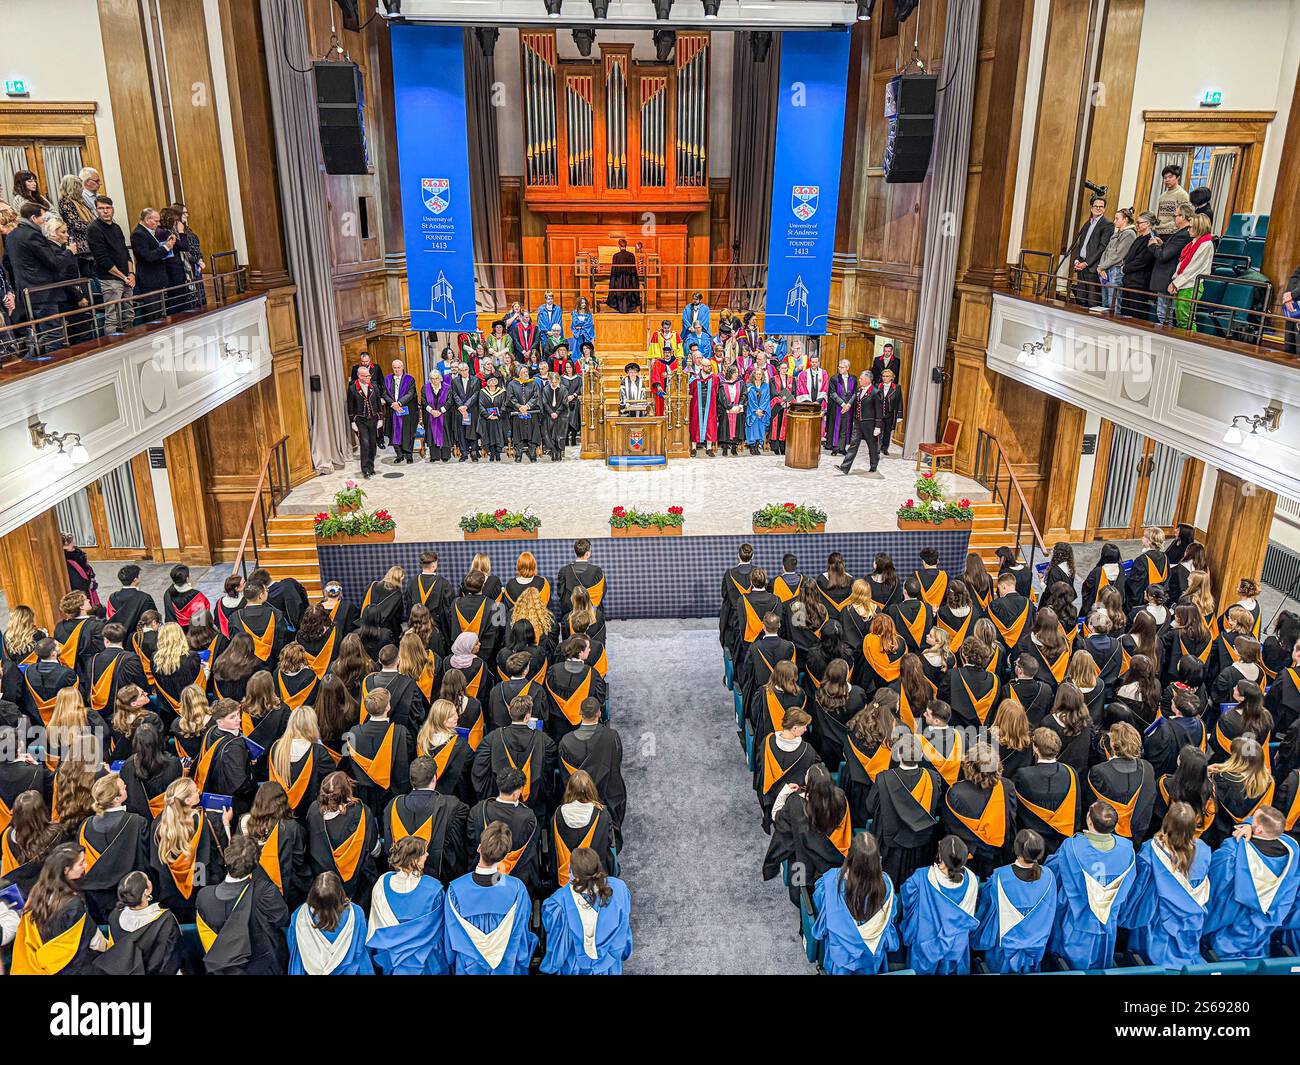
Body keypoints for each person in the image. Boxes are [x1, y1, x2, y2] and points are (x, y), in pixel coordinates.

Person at [1045, 801, 1136, 970]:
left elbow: (1055, 875)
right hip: (1107, 922)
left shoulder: (1072, 847)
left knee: (1071, 967)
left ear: (1089, 820)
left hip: (1076, 920)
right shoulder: (1127, 849)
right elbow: (1128, 887)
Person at [1122, 801, 1212, 968]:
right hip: (1190, 920)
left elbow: (1139, 889)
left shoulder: (1151, 852)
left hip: (1157, 919)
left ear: (1167, 822)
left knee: (1153, 963)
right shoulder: (1204, 851)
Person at [1204, 805, 1300, 960]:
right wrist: (1250, 825)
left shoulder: (1233, 855)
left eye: (1252, 820)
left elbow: (1215, 895)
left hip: (1228, 934)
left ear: (1260, 830)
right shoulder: (1293, 850)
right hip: (1261, 934)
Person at [193, 833, 289, 974]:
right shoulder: (265, 892)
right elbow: (282, 918)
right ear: (256, 864)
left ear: (226, 860)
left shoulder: (204, 897)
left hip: (223, 970)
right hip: (263, 968)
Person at [10, 842, 107, 974]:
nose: (85, 865)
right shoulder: (73, 906)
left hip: (45, 963)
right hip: (74, 966)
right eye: (81, 863)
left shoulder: (37, 892)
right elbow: (94, 941)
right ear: (66, 870)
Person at [540, 845, 633, 975]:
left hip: (577, 965)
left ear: (573, 874)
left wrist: (552, 965)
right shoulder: (619, 888)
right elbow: (624, 927)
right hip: (609, 962)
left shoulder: (559, 902)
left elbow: (559, 944)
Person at [974, 829, 1058, 973]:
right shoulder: (1049, 877)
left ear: (1016, 850)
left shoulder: (1000, 877)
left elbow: (986, 913)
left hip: (1003, 951)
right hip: (1036, 950)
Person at [367, 835, 448, 974]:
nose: (427, 854)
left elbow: (376, 924)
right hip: (424, 960)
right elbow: (440, 932)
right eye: (424, 852)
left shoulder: (382, 883)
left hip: (393, 957)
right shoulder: (434, 889)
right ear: (415, 860)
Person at [899, 835, 979, 974]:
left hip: (926, 944)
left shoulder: (921, 878)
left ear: (941, 857)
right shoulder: (972, 880)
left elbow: (907, 899)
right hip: (957, 945)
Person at [93, 870, 183, 975]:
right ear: (147, 891)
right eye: (148, 880)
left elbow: (115, 951)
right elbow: (172, 957)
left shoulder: (115, 916)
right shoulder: (165, 920)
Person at [286, 871, 372, 975]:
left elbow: (294, 947)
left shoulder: (299, 916)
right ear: (340, 892)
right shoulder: (356, 914)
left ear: (312, 894)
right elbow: (362, 946)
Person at [85, 195, 135, 335]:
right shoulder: (93, 229)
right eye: (101, 208)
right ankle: (113, 346)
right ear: (96, 210)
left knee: (129, 314)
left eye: (108, 208)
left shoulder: (116, 227)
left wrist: (131, 274)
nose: (105, 211)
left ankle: (130, 341)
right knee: (113, 317)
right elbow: (103, 259)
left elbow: (125, 252)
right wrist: (123, 277)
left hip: (126, 276)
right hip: (109, 278)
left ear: (112, 209)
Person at [1149, 203, 1194, 327]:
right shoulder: (1180, 233)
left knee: (1165, 314)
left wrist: (1153, 246)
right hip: (1165, 277)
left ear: (1184, 217)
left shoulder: (1184, 234)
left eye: (1175, 216)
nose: (1174, 218)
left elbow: (1164, 256)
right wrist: (1162, 244)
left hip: (1168, 277)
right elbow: (1170, 250)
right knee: (1162, 313)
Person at [1168, 211, 1214, 329]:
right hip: (1184, 283)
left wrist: (1175, 283)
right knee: (1179, 318)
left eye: (1191, 227)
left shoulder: (1206, 244)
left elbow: (1193, 268)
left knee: (1185, 320)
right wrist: (1175, 279)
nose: (1188, 229)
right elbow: (1183, 263)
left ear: (1199, 227)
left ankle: (1188, 343)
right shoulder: (1193, 242)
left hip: (1192, 284)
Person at [1067, 195, 1114, 307]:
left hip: (1092, 267)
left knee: (1092, 301)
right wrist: (1077, 260)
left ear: (1104, 209)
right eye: (1096, 206)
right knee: (1081, 299)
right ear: (1091, 208)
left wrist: (1086, 263)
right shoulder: (1087, 223)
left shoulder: (1107, 224)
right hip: (1081, 266)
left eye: (1101, 207)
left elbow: (1102, 247)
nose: (1098, 208)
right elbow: (1081, 244)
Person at [129, 207, 174, 323]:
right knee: (153, 315)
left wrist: (165, 244)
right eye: (156, 221)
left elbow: (154, 249)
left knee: (160, 313)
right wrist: (166, 247)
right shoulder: (138, 234)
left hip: (157, 278)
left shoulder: (148, 232)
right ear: (147, 219)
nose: (158, 224)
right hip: (149, 279)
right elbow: (147, 256)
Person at [1093, 206, 1137, 312]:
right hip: (1105, 269)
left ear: (1125, 219)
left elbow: (1118, 254)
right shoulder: (1117, 233)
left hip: (1115, 270)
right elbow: (1106, 251)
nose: (1114, 221)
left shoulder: (1129, 234)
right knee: (1105, 301)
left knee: (1113, 301)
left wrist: (1102, 266)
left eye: (1117, 218)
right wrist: (1101, 267)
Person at [836, 370, 880, 475]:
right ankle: (845, 467)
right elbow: (854, 398)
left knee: (872, 446)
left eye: (861, 378)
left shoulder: (875, 392)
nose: (859, 380)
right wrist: (848, 405)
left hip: (870, 424)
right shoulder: (859, 390)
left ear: (868, 379)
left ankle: (873, 466)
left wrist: (878, 426)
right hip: (858, 422)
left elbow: (879, 411)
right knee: (853, 444)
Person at [348, 364, 385, 478]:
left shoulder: (374, 386)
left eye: (369, 375)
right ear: (360, 376)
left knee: (373, 443)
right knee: (365, 443)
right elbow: (350, 406)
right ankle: (365, 469)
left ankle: (371, 466)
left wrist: (380, 418)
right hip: (361, 420)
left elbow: (379, 404)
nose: (369, 377)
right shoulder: (353, 388)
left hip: (373, 419)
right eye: (367, 376)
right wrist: (352, 421)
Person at [382, 359, 417, 464]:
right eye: (395, 368)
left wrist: (399, 403)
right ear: (392, 368)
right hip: (393, 410)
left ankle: (409, 454)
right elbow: (384, 393)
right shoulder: (387, 379)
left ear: (402, 367)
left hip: (406, 409)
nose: (397, 370)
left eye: (398, 367)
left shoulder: (409, 379)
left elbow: (411, 393)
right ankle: (399, 455)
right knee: (394, 432)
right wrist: (393, 403)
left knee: (407, 432)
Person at [1154, 163, 1192, 236]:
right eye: (1165, 178)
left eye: (1170, 177)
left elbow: (1185, 218)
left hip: (1173, 233)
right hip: (1159, 232)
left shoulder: (1182, 194)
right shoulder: (1162, 196)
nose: (1167, 180)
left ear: (1177, 178)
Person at [716, 364, 746, 456]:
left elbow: (744, 395)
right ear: (730, 373)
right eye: (734, 372)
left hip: (737, 409)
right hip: (727, 410)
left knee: (737, 428)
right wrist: (730, 407)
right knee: (726, 429)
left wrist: (739, 405)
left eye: (737, 372)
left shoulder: (741, 383)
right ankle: (725, 448)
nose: (736, 374)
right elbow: (722, 398)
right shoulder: (723, 384)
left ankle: (734, 448)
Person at [606, 238, 640, 313]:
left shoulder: (616, 256)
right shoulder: (631, 255)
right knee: (629, 290)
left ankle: (620, 308)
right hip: (629, 279)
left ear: (618, 245)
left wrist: (613, 281)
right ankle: (628, 308)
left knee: (618, 290)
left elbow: (614, 270)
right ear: (626, 245)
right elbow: (633, 270)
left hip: (618, 279)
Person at [743, 365, 771, 455]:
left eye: (760, 374)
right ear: (754, 375)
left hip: (762, 412)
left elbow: (767, 399)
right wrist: (756, 410)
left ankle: (757, 446)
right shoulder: (749, 386)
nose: (758, 376)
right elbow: (750, 400)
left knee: (760, 429)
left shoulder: (766, 386)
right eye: (757, 374)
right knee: (752, 429)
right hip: (753, 412)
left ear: (762, 375)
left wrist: (762, 410)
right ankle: (752, 447)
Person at [875, 368, 903, 455]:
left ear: (891, 377)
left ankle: (885, 448)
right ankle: (877, 447)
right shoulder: (877, 386)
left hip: (890, 413)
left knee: (887, 431)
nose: (885, 378)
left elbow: (900, 401)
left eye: (887, 376)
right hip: (879, 413)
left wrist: (900, 414)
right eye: (883, 376)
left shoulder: (897, 387)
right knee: (878, 430)